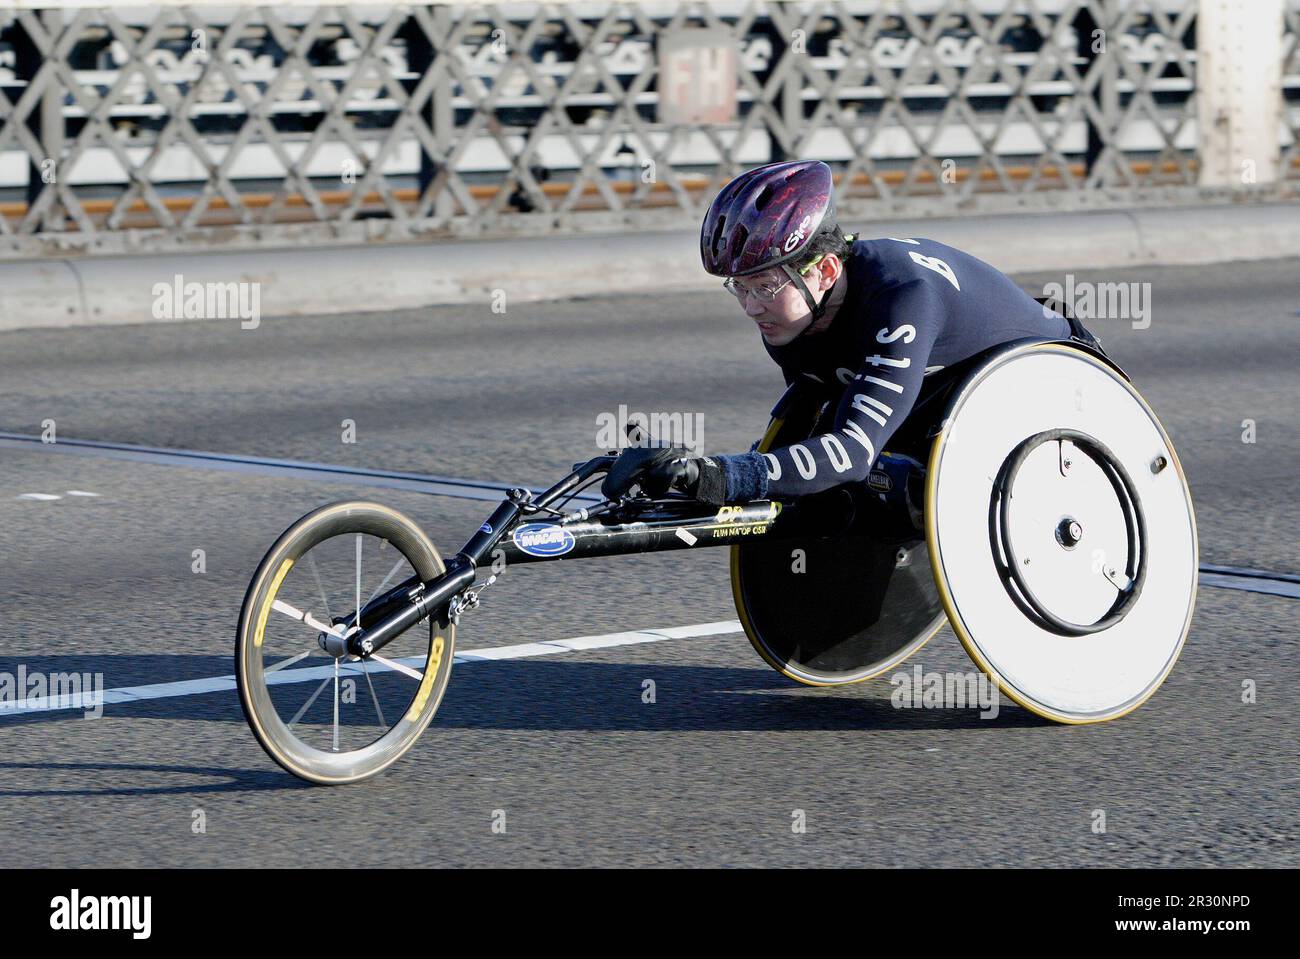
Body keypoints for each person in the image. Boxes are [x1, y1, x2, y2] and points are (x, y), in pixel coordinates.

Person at [605, 159, 1097, 506]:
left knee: (892, 487)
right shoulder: (791, 314)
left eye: (765, 286)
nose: (751, 306)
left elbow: (851, 453)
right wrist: (689, 478)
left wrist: (723, 476)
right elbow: (812, 425)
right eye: (739, 287)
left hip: (1061, 389)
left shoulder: (902, 297)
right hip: (951, 399)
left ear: (823, 269)